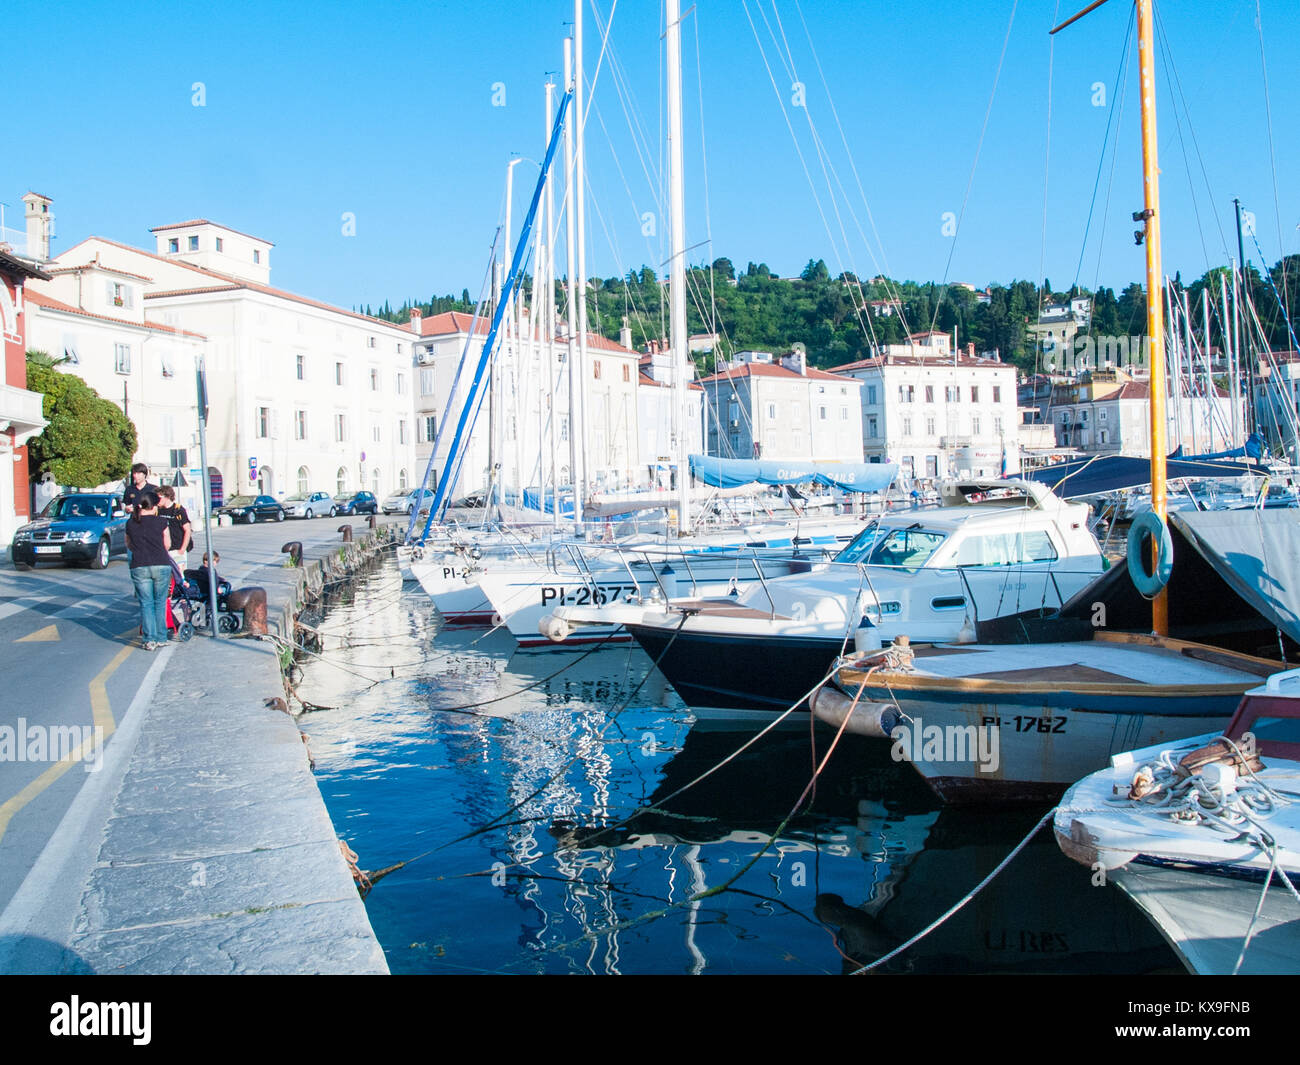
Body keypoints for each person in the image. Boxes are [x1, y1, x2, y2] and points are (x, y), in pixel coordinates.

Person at [125, 490, 173, 650]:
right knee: (160, 602)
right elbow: (167, 545)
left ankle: (149, 639)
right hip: (160, 564)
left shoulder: (131, 523)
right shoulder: (161, 522)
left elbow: (128, 544)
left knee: (146, 603)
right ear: (154, 506)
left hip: (139, 565)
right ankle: (161, 637)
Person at [157, 485, 192, 568]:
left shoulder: (179, 510)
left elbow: (187, 530)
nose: (157, 500)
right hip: (163, 549)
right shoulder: (157, 510)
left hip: (177, 549)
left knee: (179, 576)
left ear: (167, 497)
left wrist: (183, 549)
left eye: (159, 497)